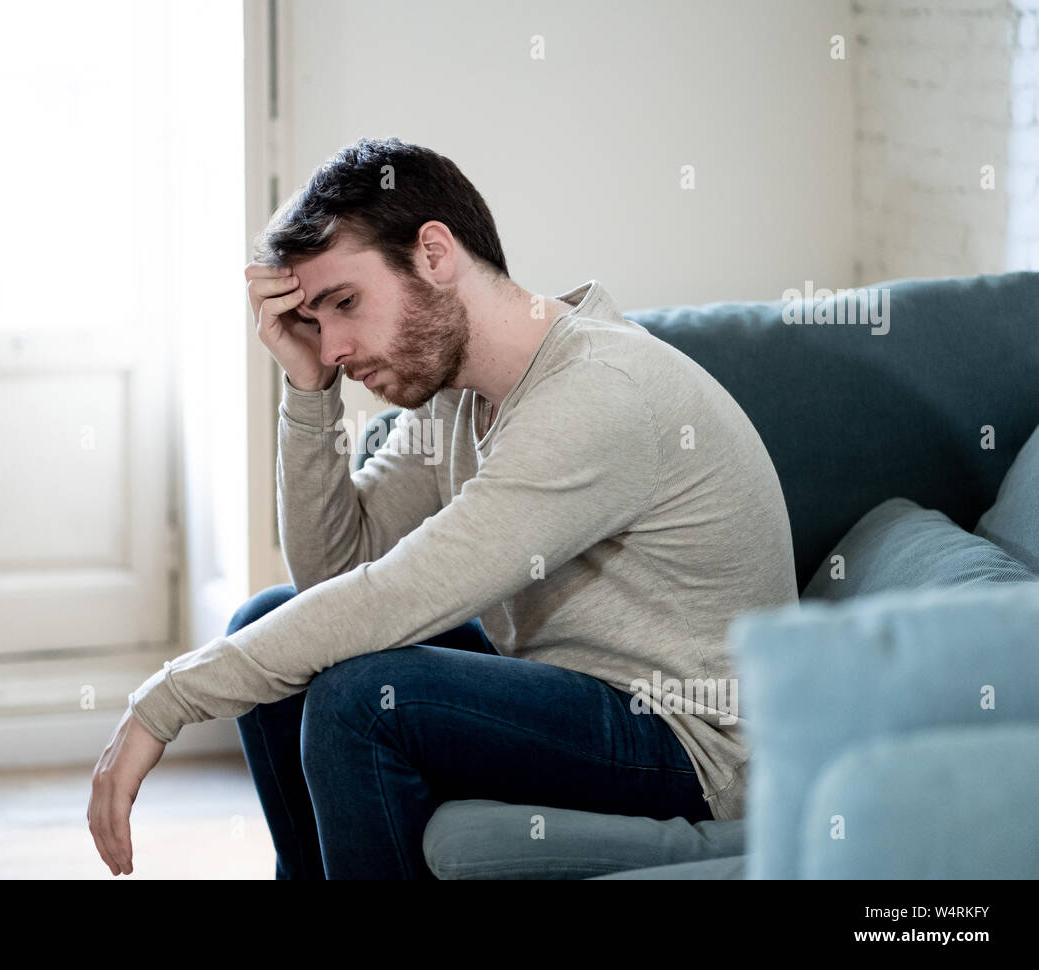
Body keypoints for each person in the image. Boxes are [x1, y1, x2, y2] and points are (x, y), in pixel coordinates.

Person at [87, 136, 797, 879]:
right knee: (268, 621)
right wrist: (308, 392)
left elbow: (395, 596)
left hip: (693, 742)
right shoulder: (457, 397)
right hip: (581, 691)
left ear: (433, 253)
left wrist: (167, 698)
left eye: (345, 304)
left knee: (364, 700)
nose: (332, 348)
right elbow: (334, 577)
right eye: (316, 322)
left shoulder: (596, 392)